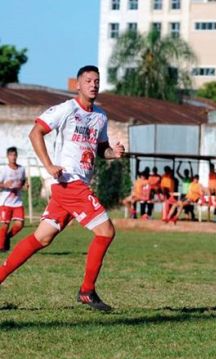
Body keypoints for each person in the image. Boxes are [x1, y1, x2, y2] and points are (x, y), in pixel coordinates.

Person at [1, 65, 125, 312]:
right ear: (77, 85)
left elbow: (101, 150)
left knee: (42, 237)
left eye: (97, 81)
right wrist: (48, 165)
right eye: (88, 80)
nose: (93, 85)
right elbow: (35, 132)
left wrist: (114, 153)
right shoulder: (66, 109)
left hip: (75, 185)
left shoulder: (100, 115)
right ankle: (87, 291)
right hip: (70, 183)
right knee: (106, 232)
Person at [0, 147, 28, 252]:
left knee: (19, 225)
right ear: (7, 157)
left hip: (17, 202)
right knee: (5, 225)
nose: (13, 157)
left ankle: (6, 238)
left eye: (15, 155)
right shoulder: (4, 170)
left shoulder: (21, 169)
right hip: (5, 202)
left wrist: (25, 185)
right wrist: (4, 185)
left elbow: (23, 181)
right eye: (11, 155)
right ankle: (1, 247)